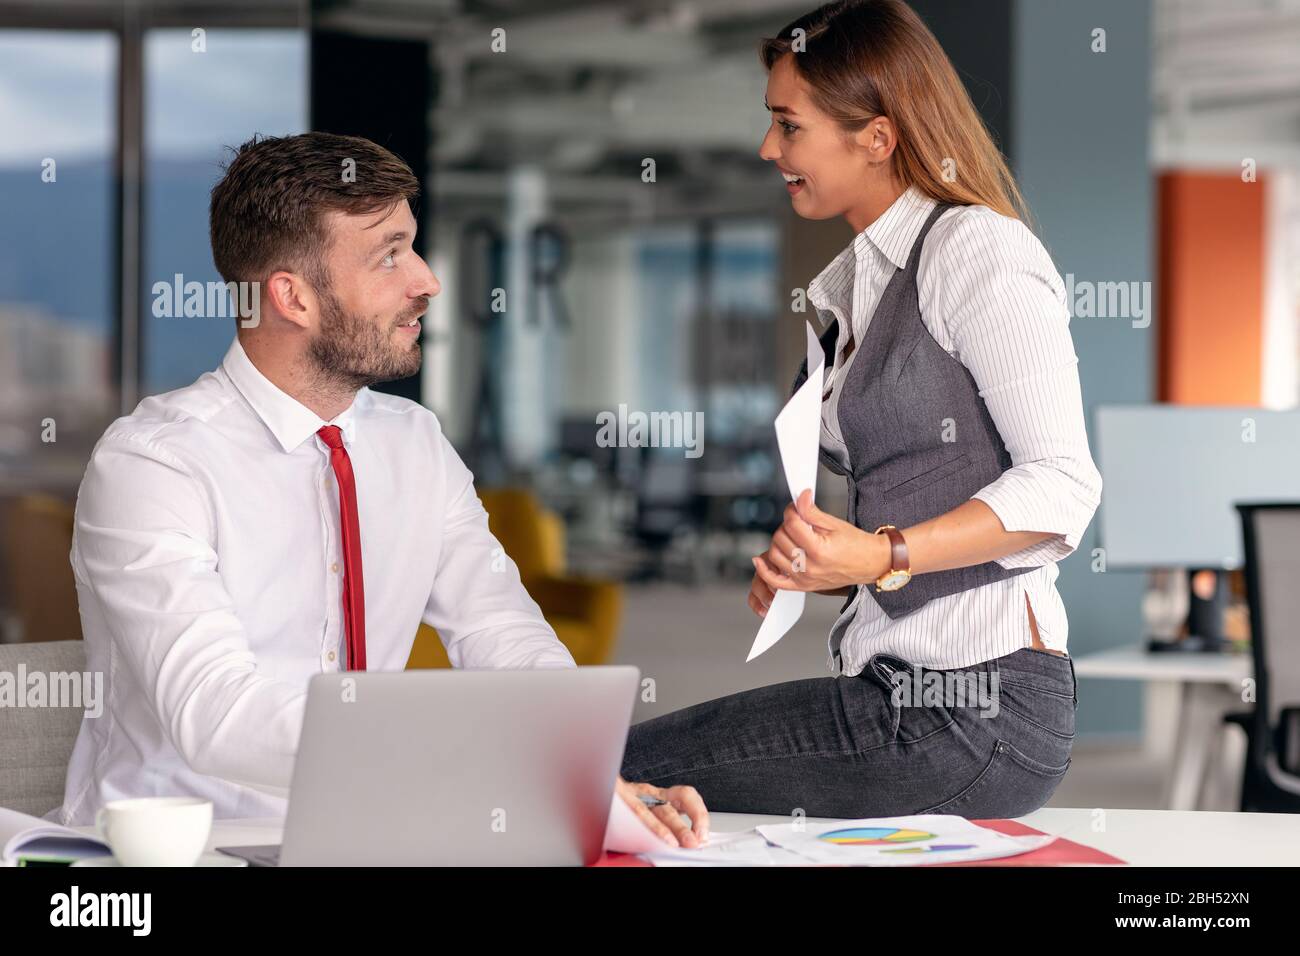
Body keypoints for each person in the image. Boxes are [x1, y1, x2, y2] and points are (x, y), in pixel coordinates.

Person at [56, 131, 707, 848]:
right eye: (389, 254)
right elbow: (218, 715)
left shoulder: (414, 442)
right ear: (292, 296)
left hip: (376, 836)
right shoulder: (155, 464)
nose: (426, 280)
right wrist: (478, 759)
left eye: (414, 247)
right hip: (193, 847)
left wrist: (575, 773)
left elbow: (500, 629)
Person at [620, 0, 1102, 819]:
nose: (768, 148)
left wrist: (881, 554)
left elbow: (1062, 484)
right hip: (896, 688)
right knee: (631, 777)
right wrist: (822, 556)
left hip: (972, 711)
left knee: (611, 764)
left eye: (788, 126)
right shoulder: (856, 285)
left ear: (876, 137)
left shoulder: (975, 250)